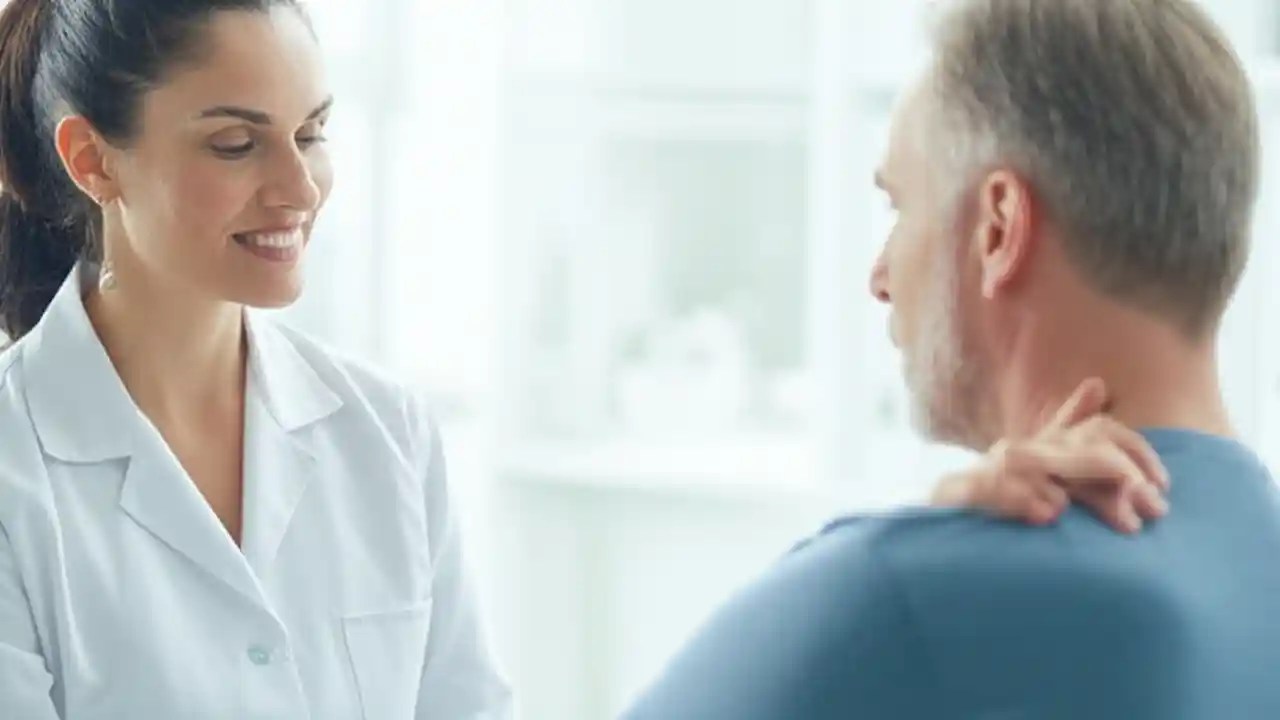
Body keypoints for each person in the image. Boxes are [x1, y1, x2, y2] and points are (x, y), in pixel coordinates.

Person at [622, 0, 1280, 718]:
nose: (879, 275)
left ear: (999, 229)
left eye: (900, 208)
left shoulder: (883, 601)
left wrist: (909, 561)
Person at [0, 1, 511, 717]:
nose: (300, 190)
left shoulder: (388, 432)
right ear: (93, 160)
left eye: (311, 133)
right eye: (237, 144)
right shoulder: (15, 468)